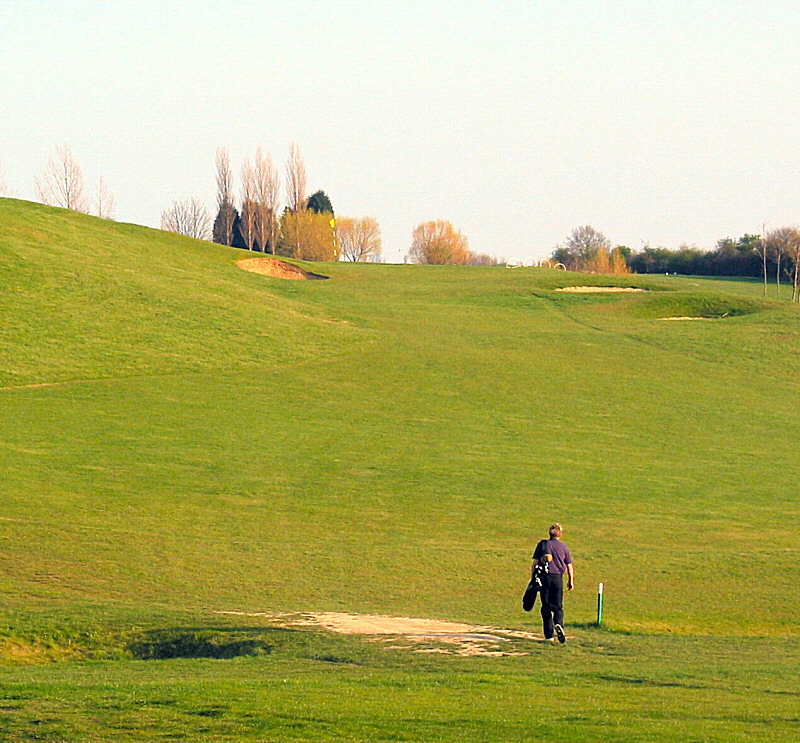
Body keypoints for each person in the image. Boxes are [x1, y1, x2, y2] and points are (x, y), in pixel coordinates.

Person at [531, 523, 574, 643]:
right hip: (558, 578)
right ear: (560, 534)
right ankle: (559, 624)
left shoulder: (543, 545)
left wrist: (533, 579)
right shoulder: (564, 548)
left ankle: (549, 635)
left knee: (545, 607)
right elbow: (569, 566)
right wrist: (571, 580)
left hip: (545, 578)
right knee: (558, 606)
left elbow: (534, 564)